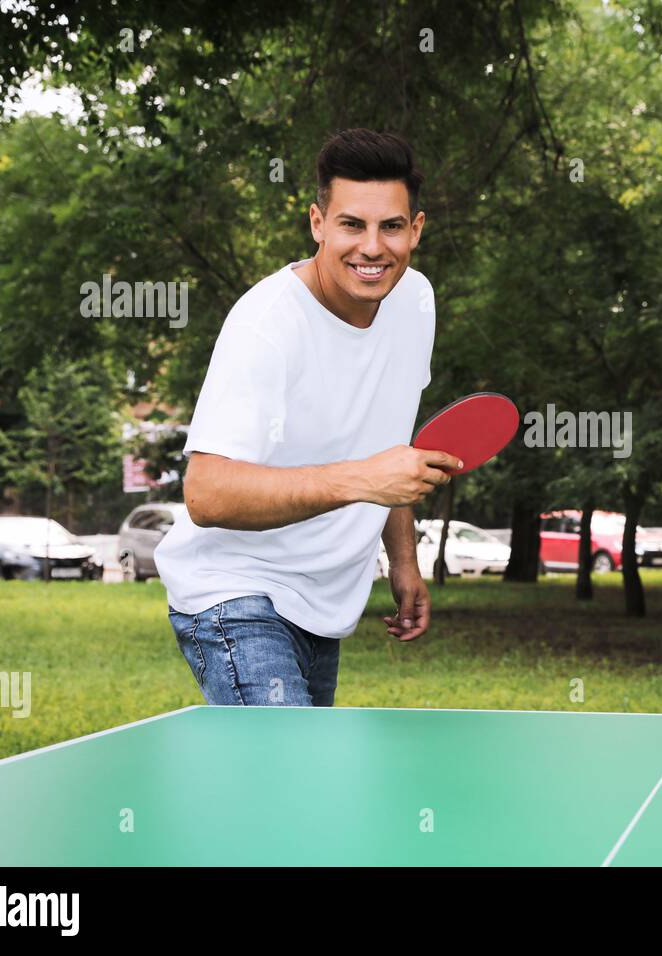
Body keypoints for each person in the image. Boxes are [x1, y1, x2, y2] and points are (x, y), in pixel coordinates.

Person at [155, 128, 459, 707]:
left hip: (324, 605)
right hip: (235, 594)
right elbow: (207, 494)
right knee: (286, 782)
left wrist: (403, 560)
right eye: (351, 224)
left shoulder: (416, 302)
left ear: (415, 230)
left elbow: (386, 445)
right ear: (318, 223)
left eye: (390, 226)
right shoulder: (266, 324)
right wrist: (362, 479)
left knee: (297, 784)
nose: (372, 247)